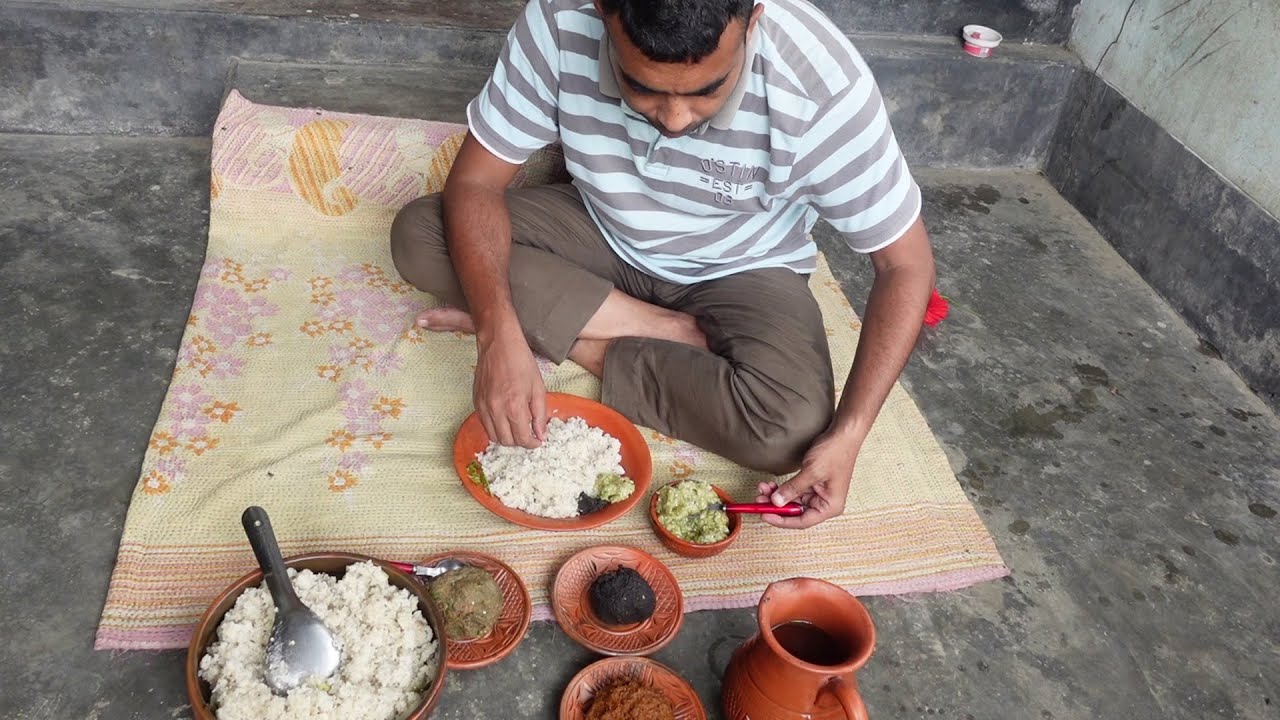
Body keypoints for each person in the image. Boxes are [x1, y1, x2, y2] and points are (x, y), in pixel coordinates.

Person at [390, 0, 936, 529]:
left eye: (708, 91)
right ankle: (651, 326)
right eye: (643, 87)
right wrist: (498, 332)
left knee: (791, 430)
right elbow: (476, 182)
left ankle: (578, 337)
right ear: (603, 12)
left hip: (743, 265)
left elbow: (904, 266)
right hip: (599, 231)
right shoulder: (558, 20)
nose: (674, 120)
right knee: (422, 235)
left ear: (753, 23)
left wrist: (851, 434)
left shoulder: (822, 84)